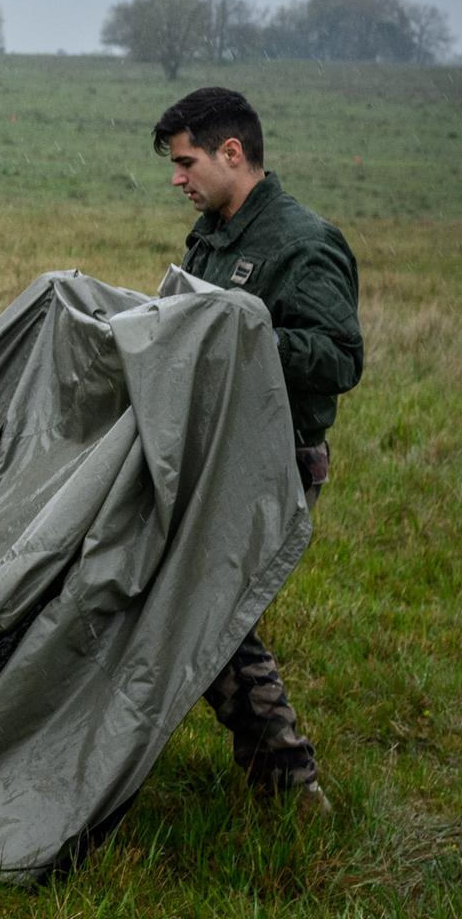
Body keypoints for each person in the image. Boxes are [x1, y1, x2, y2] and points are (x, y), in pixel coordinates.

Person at [154, 86, 361, 811]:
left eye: (186, 163)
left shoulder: (304, 243)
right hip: (204, 447)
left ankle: (293, 788)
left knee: (212, 614)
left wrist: (244, 337)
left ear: (232, 153)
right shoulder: (215, 231)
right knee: (184, 603)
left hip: (271, 459)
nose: (177, 179)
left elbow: (340, 358)